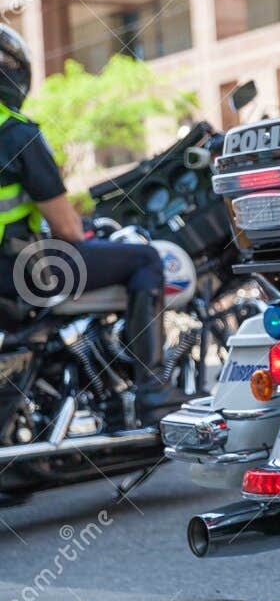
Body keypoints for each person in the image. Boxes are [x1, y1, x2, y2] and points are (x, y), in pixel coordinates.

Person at [0, 25, 180, 429]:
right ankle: (153, 390)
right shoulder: (15, 132)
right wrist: (80, 229)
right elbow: (67, 229)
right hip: (20, 271)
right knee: (144, 259)